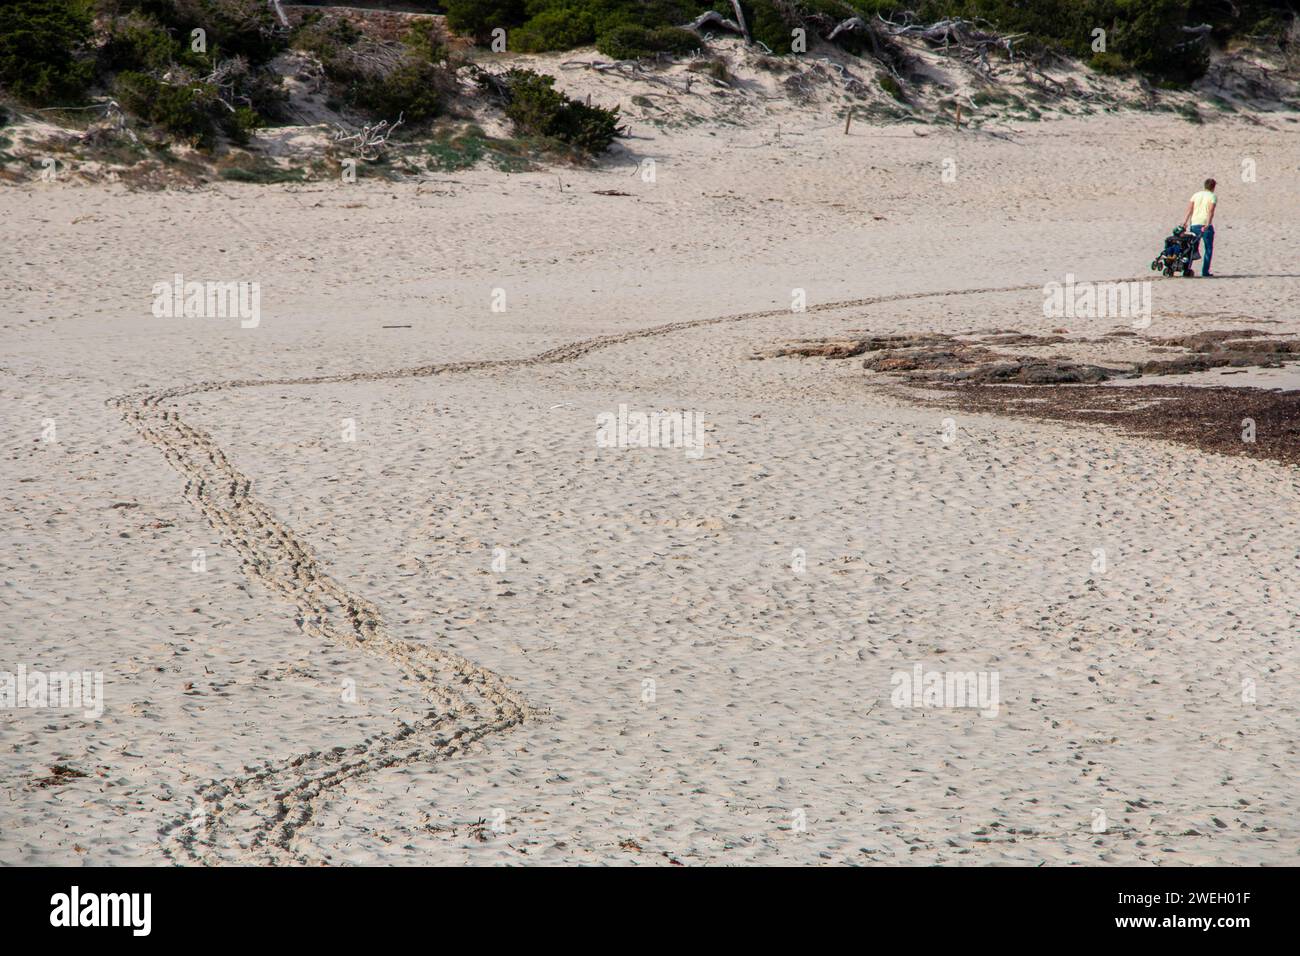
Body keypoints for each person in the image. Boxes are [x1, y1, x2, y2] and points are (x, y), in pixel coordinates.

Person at [1180, 178, 1217, 277]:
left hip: (1194, 224)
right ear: (1213, 187)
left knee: (1192, 248)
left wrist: (1184, 222)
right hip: (1205, 225)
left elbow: (1189, 209)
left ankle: (1187, 269)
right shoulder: (1212, 196)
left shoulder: (1196, 195)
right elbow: (1211, 211)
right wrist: (1208, 224)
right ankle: (1205, 271)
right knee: (1208, 248)